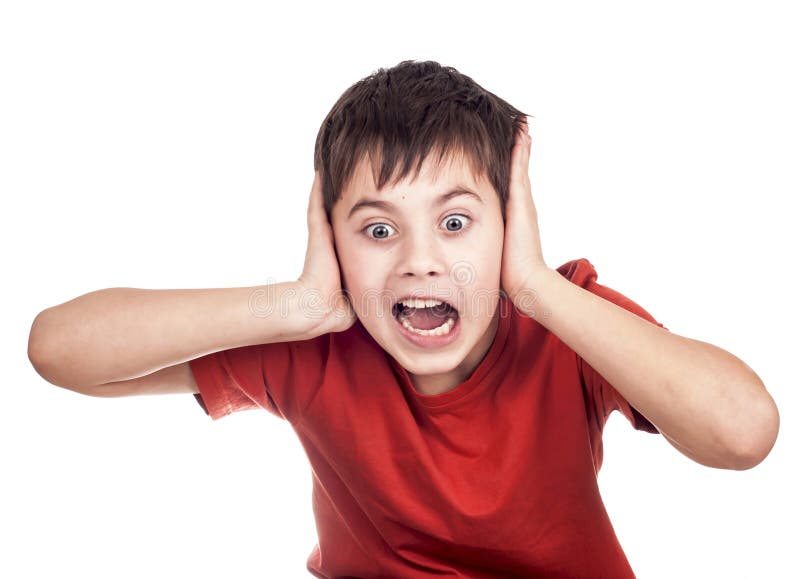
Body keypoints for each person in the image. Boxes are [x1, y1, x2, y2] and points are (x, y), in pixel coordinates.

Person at [27, 59, 779, 578]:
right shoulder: (316, 344)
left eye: (456, 223)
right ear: (333, 242)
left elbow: (744, 431)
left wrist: (537, 286)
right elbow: (59, 351)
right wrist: (295, 305)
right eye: (378, 230)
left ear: (511, 225)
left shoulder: (563, 319)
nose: (419, 259)